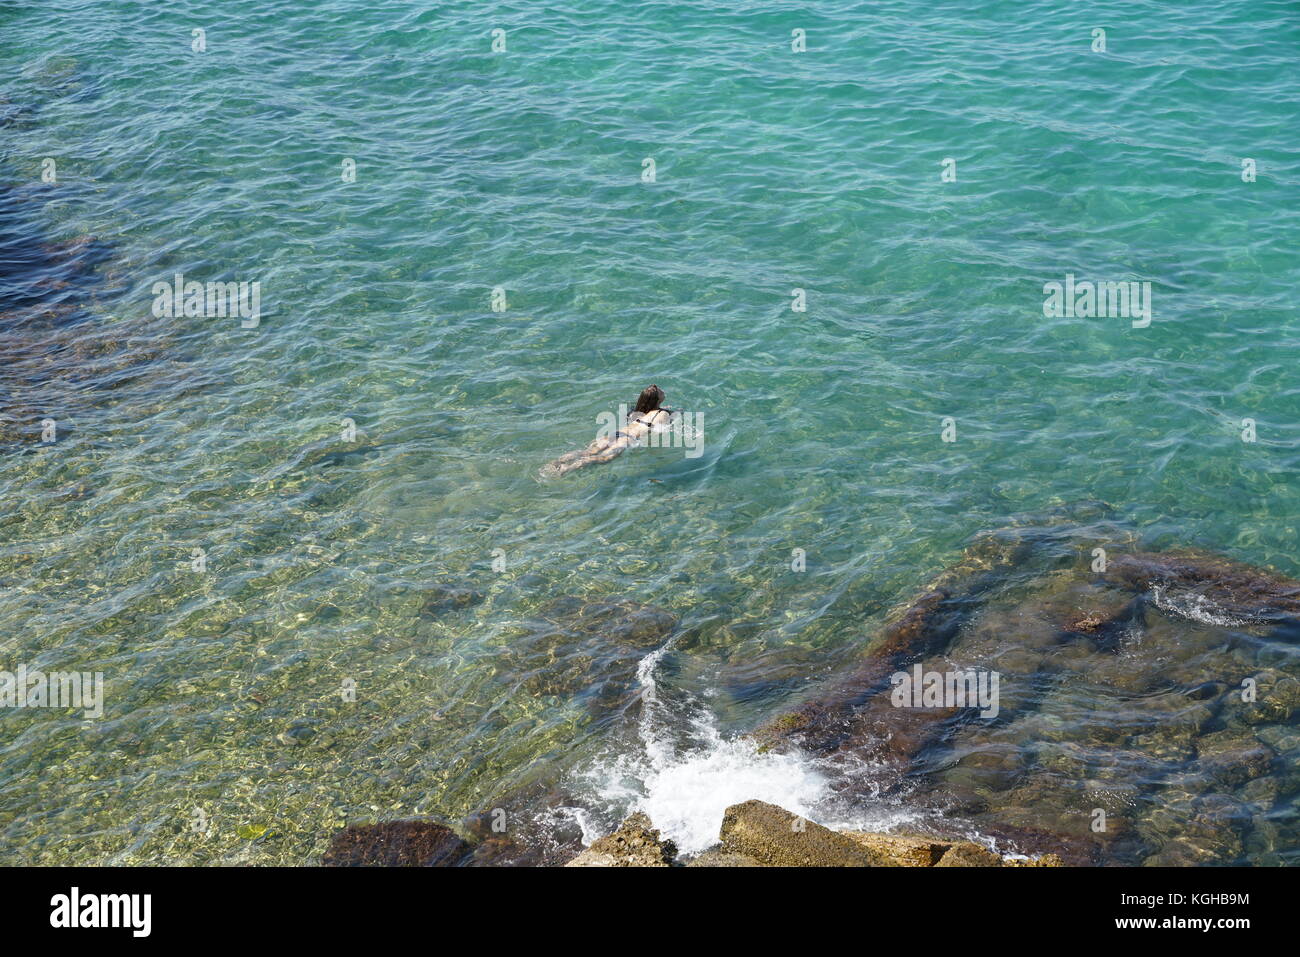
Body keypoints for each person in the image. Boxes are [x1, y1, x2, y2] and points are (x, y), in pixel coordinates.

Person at [541, 384, 673, 477]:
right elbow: (661, 430)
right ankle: (566, 469)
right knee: (604, 458)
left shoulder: (637, 412)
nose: (664, 393)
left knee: (588, 451)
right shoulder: (663, 413)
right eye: (662, 392)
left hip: (617, 433)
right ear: (657, 400)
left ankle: (556, 462)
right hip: (628, 439)